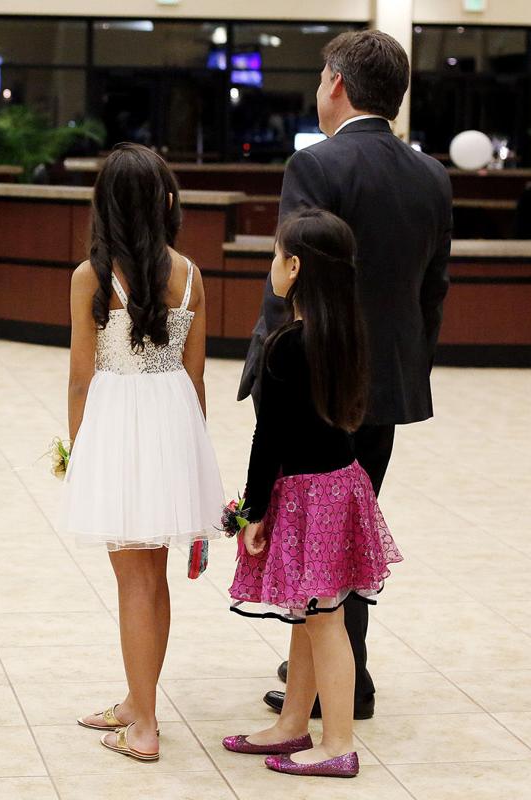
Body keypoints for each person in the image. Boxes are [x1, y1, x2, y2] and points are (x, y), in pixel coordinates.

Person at [237, 29, 451, 721]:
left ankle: (341, 686)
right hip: (384, 385)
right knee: (352, 529)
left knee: (312, 533)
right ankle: (340, 673)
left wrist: (267, 372)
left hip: (316, 384)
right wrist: (405, 368)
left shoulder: (318, 165)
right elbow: (433, 291)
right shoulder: (431, 176)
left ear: (336, 83)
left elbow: (291, 284)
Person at [222, 209, 401, 779]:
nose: (271, 267)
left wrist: (252, 511)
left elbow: (267, 439)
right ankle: (293, 723)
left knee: (324, 619)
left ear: (294, 267)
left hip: (305, 496)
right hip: (341, 487)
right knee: (311, 612)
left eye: (276, 257)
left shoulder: (286, 345)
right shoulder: (348, 335)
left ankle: (338, 742)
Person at [62, 143, 225, 763]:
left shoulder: (90, 278)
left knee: (133, 581)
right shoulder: (191, 275)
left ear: (103, 205)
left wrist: (80, 451)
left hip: (119, 426)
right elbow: (197, 373)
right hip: (174, 423)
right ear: (167, 203)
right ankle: (139, 700)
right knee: (154, 580)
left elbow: (81, 377)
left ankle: (144, 726)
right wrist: (196, 453)